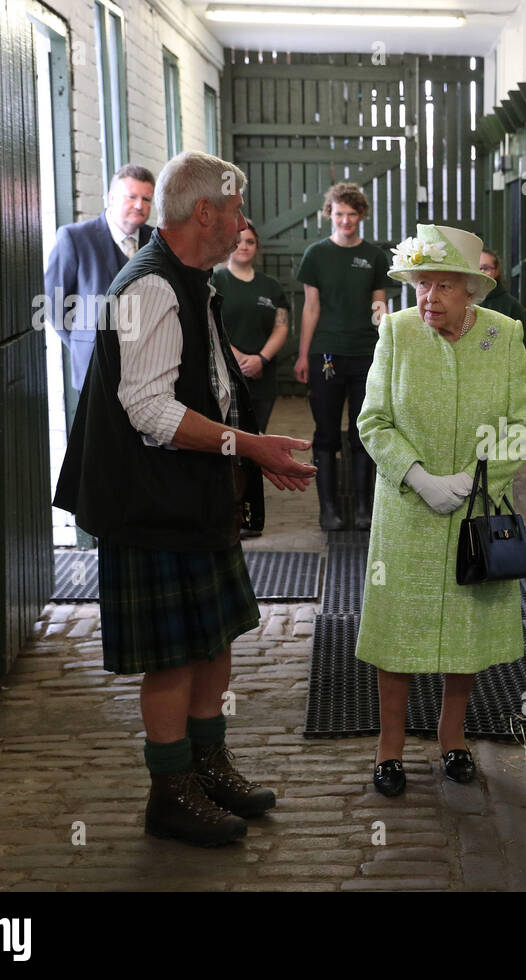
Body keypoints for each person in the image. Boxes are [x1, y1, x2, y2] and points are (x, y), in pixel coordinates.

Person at [53, 151, 317, 847]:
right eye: (236, 211)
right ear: (206, 213)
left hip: (191, 493)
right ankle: (170, 793)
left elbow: (205, 376)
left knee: (212, 637)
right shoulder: (148, 287)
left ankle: (208, 765)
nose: (242, 223)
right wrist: (249, 446)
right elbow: (148, 410)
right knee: (173, 654)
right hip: (150, 502)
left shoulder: (191, 279)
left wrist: (245, 442)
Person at [355, 225, 526, 797]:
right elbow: (373, 420)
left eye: (440, 286)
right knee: (397, 629)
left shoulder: (504, 335)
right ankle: (389, 748)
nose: (427, 297)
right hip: (408, 507)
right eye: (419, 285)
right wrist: (418, 476)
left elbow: (521, 422)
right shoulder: (398, 334)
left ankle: (452, 738)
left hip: (474, 508)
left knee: (467, 628)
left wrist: (475, 479)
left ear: (469, 290)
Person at [293, 182, 391, 531]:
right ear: (329, 215)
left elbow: (379, 303)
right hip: (326, 355)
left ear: (361, 215)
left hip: (365, 353)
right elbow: (311, 307)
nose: (346, 220)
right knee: (326, 432)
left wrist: (385, 343)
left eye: (352, 214)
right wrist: (303, 354)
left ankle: (364, 508)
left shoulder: (376, 257)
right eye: (339, 214)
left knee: (364, 431)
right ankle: (328, 509)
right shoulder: (316, 255)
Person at [44, 164, 157, 390]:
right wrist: (82, 341)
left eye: (146, 199)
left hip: (150, 368)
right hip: (93, 368)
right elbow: (53, 304)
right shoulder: (75, 238)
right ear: (111, 197)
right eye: (132, 197)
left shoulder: (156, 240)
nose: (139, 205)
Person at [211, 221, 290, 434]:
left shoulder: (271, 286)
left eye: (250, 241)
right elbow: (211, 325)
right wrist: (237, 358)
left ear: (257, 247)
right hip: (227, 375)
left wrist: (261, 359)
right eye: (238, 241)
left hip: (262, 375)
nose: (244, 246)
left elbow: (281, 327)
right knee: (229, 439)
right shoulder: (214, 282)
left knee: (258, 436)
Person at [478, 249, 526, 382]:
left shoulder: (512, 307)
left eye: (485, 268)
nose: (480, 273)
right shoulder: (463, 301)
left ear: (496, 271)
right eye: (476, 268)